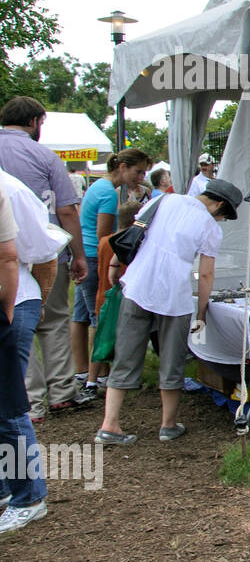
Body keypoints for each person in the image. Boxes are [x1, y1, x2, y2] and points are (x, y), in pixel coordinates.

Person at [94, 177, 233, 445]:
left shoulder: (163, 199)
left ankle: (109, 425)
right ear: (219, 205)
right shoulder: (209, 227)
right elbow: (205, 274)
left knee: (125, 356)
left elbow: (132, 234)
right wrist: (201, 313)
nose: (221, 221)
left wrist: (115, 264)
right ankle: (168, 425)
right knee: (172, 361)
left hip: (138, 285)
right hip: (174, 296)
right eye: (224, 216)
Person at [0, 96, 91, 418]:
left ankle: (30, 400)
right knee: (52, 321)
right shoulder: (44, 156)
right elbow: (66, 210)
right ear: (35, 122)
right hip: (42, 251)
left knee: (10, 326)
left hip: (4, 256)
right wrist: (78, 254)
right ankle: (62, 392)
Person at [0, 170, 67, 533]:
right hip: (13, 299)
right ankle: (8, 488)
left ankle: (28, 496)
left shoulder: (11, 190)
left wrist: (29, 303)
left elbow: (43, 252)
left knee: (8, 405)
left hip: (13, 301)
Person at [75, 149, 152, 403]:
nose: (140, 178)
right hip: (95, 257)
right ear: (121, 166)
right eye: (137, 171)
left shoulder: (98, 187)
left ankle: (85, 372)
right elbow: (106, 235)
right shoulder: (108, 192)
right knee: (101, 317)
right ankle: (98, 375)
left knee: (83, 316)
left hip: (86, 254)